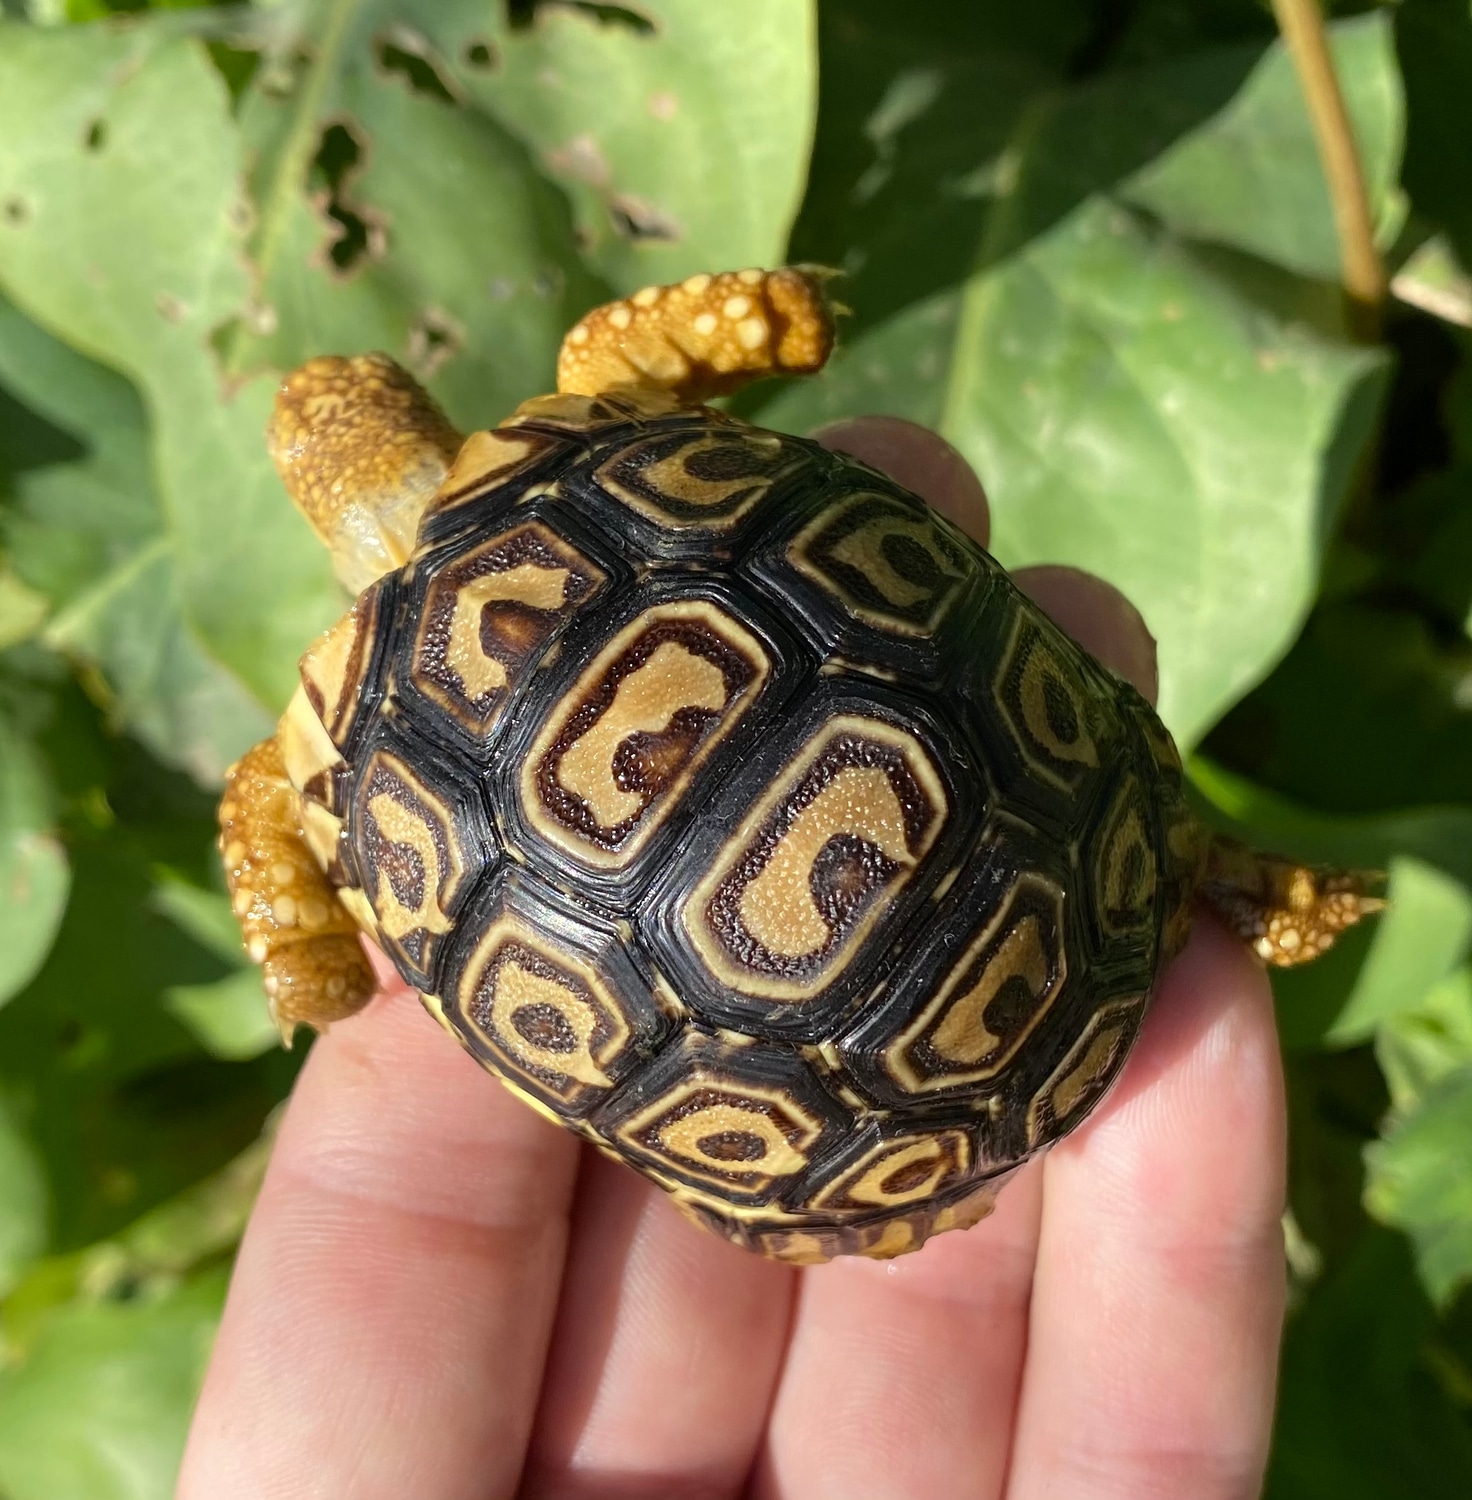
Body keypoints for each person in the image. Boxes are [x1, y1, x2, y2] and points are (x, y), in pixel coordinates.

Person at [177, 416, 1285, 1500]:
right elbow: (701, 350)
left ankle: (1198, 885)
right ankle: (1200, 869)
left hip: (832, 1158)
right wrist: (749, 318)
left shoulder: (308, 769)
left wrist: (300, 950)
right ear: (413, 417)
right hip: (1068, 874)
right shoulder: (608, 448)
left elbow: (315, 968)